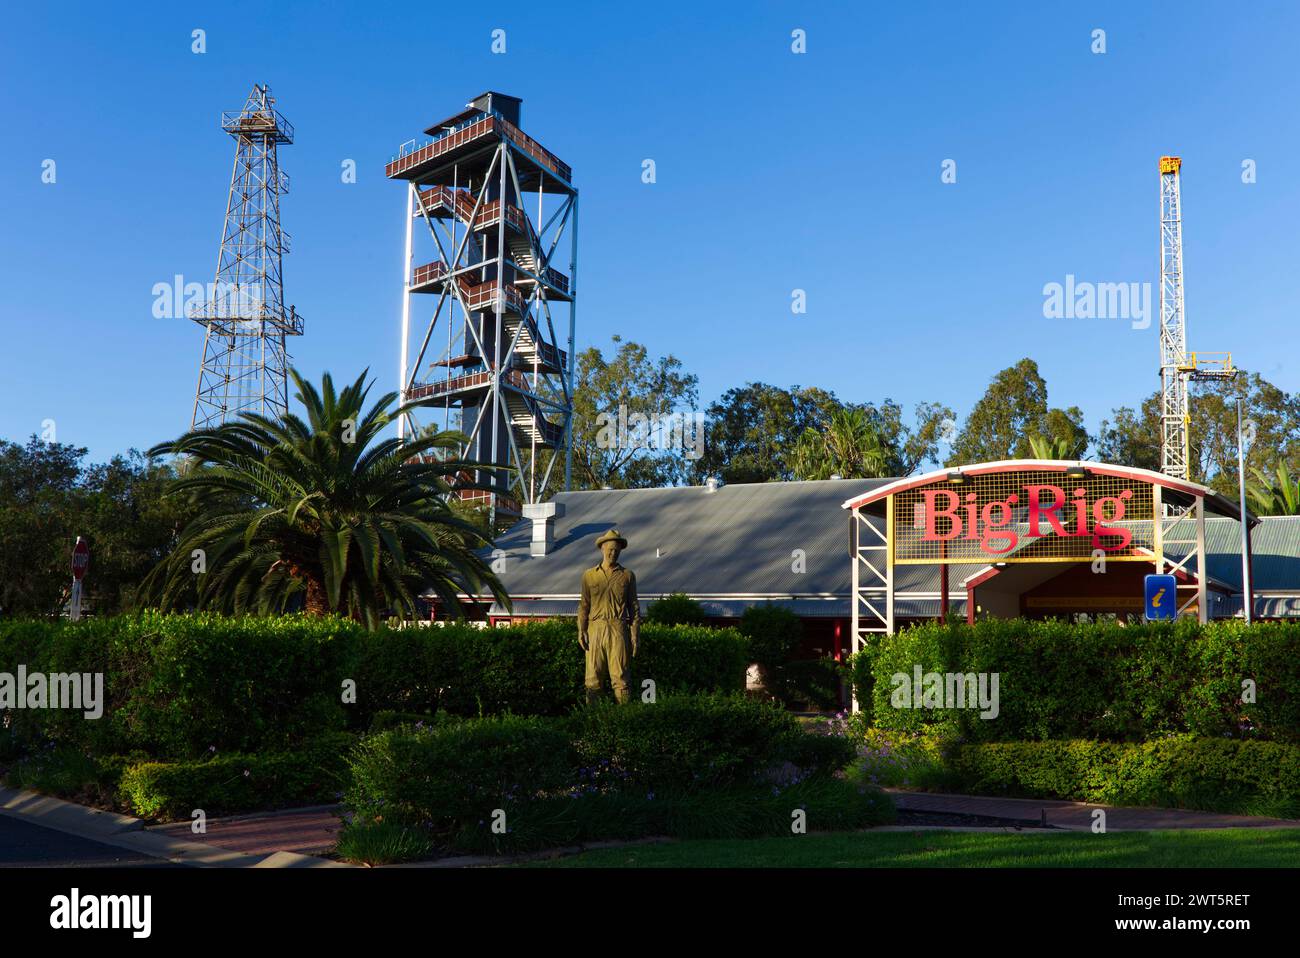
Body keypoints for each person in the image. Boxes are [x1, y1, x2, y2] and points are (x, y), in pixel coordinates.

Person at [577, 529, 639, 704]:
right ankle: (592, 722)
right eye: (610, 549)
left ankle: (623, 721)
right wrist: (581, 630)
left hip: (618, 628)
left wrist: (635, 635)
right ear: (602, 549)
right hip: (595, 629)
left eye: (617, 550)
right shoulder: (589, 575)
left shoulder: (627, 576)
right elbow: (584, 605)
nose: (614, 553)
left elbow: (633, 608)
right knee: (592, 678)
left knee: (621, 678)